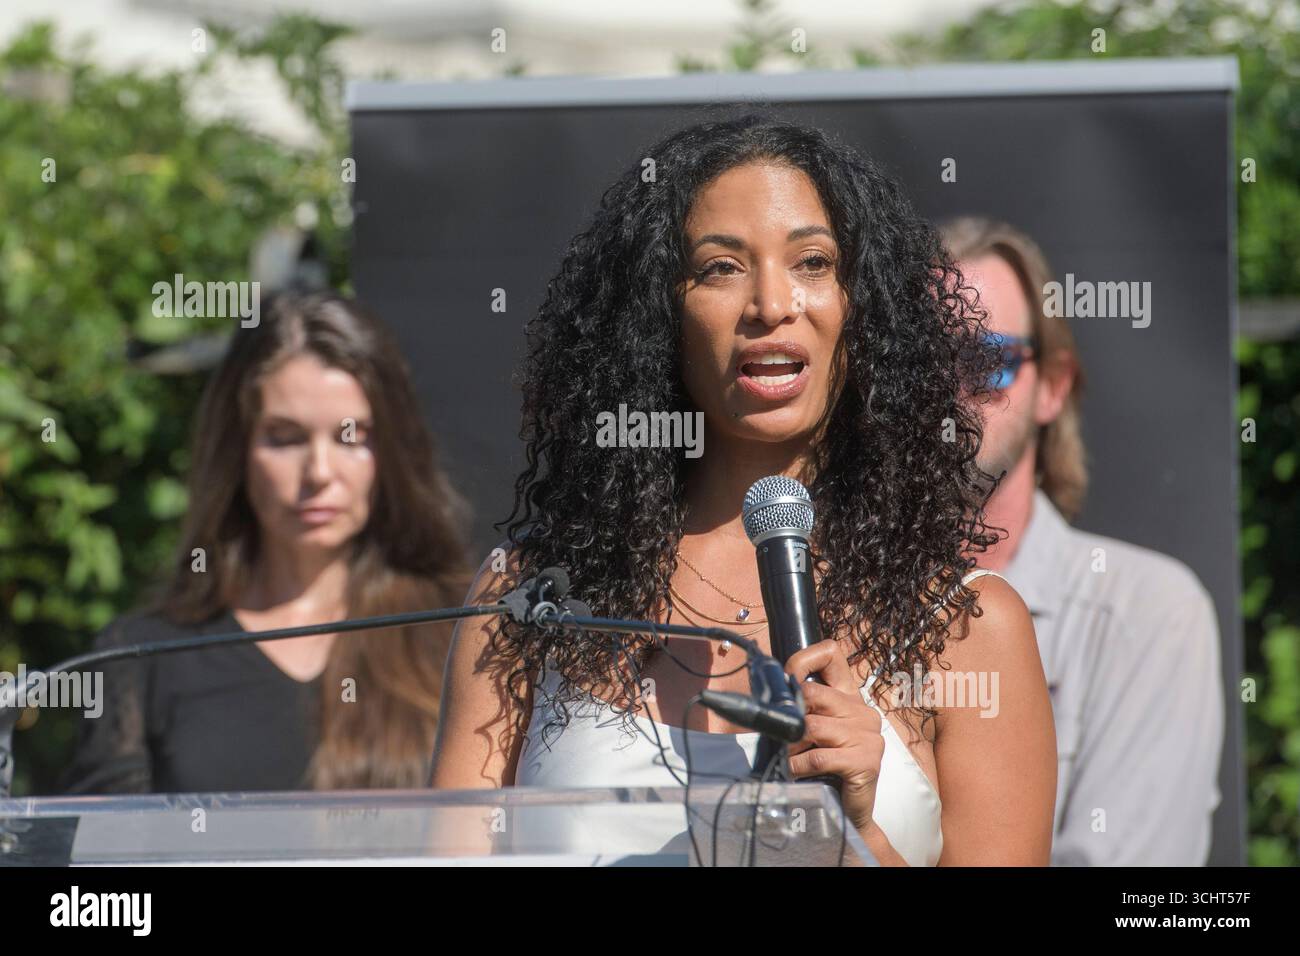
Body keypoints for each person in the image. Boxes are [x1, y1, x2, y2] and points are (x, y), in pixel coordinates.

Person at [430, 114, 1057, 866]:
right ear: (658, 317)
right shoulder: (530, 602)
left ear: (864, 309)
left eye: (813, 262)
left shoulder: (968, 626)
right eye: (721, 267)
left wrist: (854, 828)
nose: (770, 303)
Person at [63, 291, 471, 793]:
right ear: (236, 451)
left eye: (350, 436)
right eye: (285, 437)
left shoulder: (458, 633)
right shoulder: (139, 657)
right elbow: (104, 852)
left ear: (389, 449)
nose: (319, 472)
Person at [939, 216, 1224, 865]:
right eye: (918, 362)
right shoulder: (830, 601)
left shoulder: (1147, 612)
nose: (947, 394)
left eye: (985, 360)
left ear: (1053, 387)